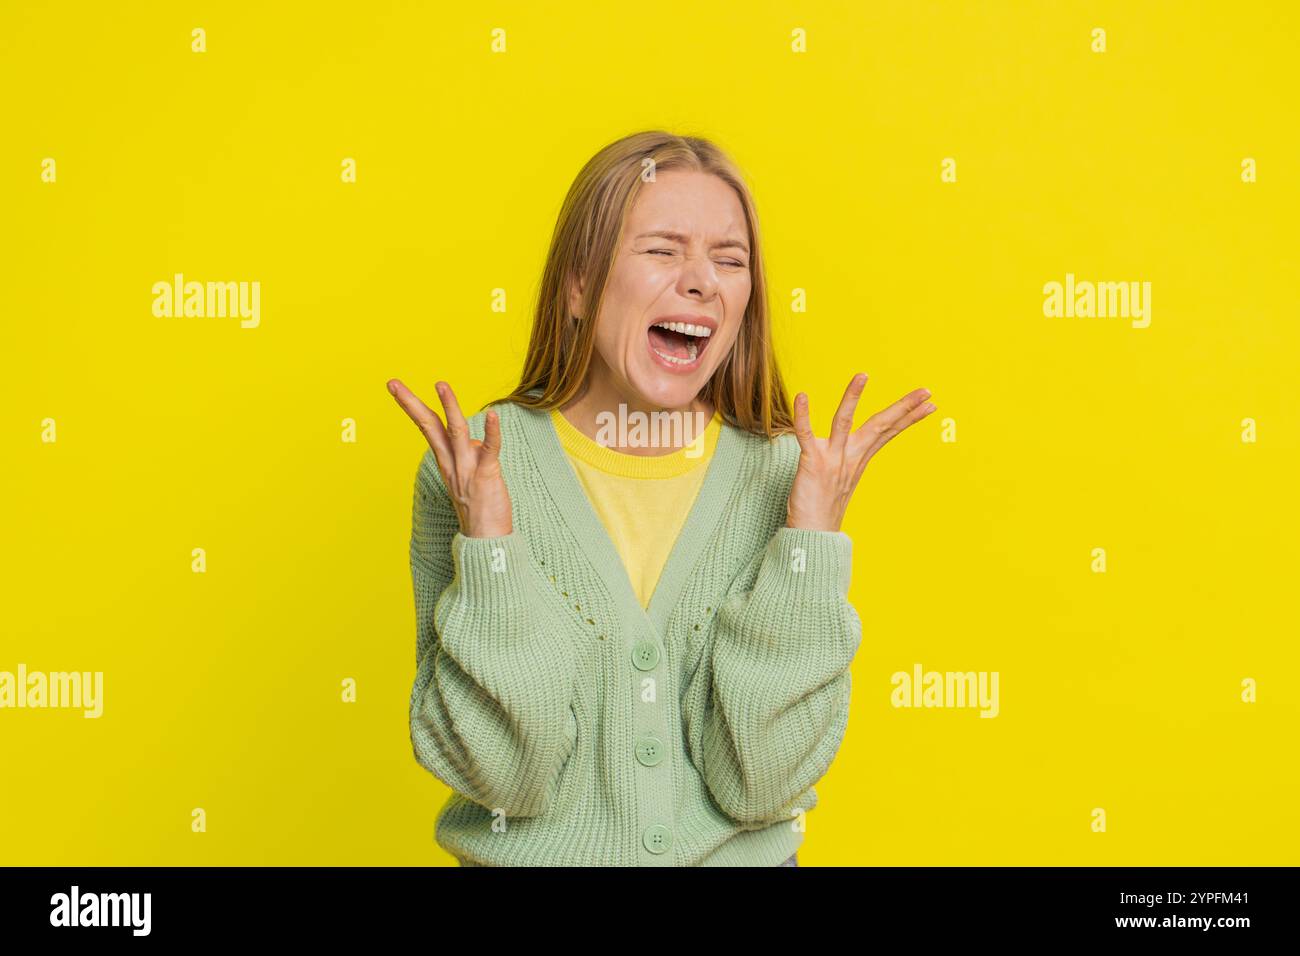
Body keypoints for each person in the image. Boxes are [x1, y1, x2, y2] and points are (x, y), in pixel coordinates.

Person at [387, 129, 935, 866]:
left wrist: (809, 538)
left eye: (729, 260)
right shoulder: (476, 468)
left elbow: (762, 783)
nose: (702, 279)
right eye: (663, 249)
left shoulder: (784, 474)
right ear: (578, 286)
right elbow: (506, 779)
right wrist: (491, 547)